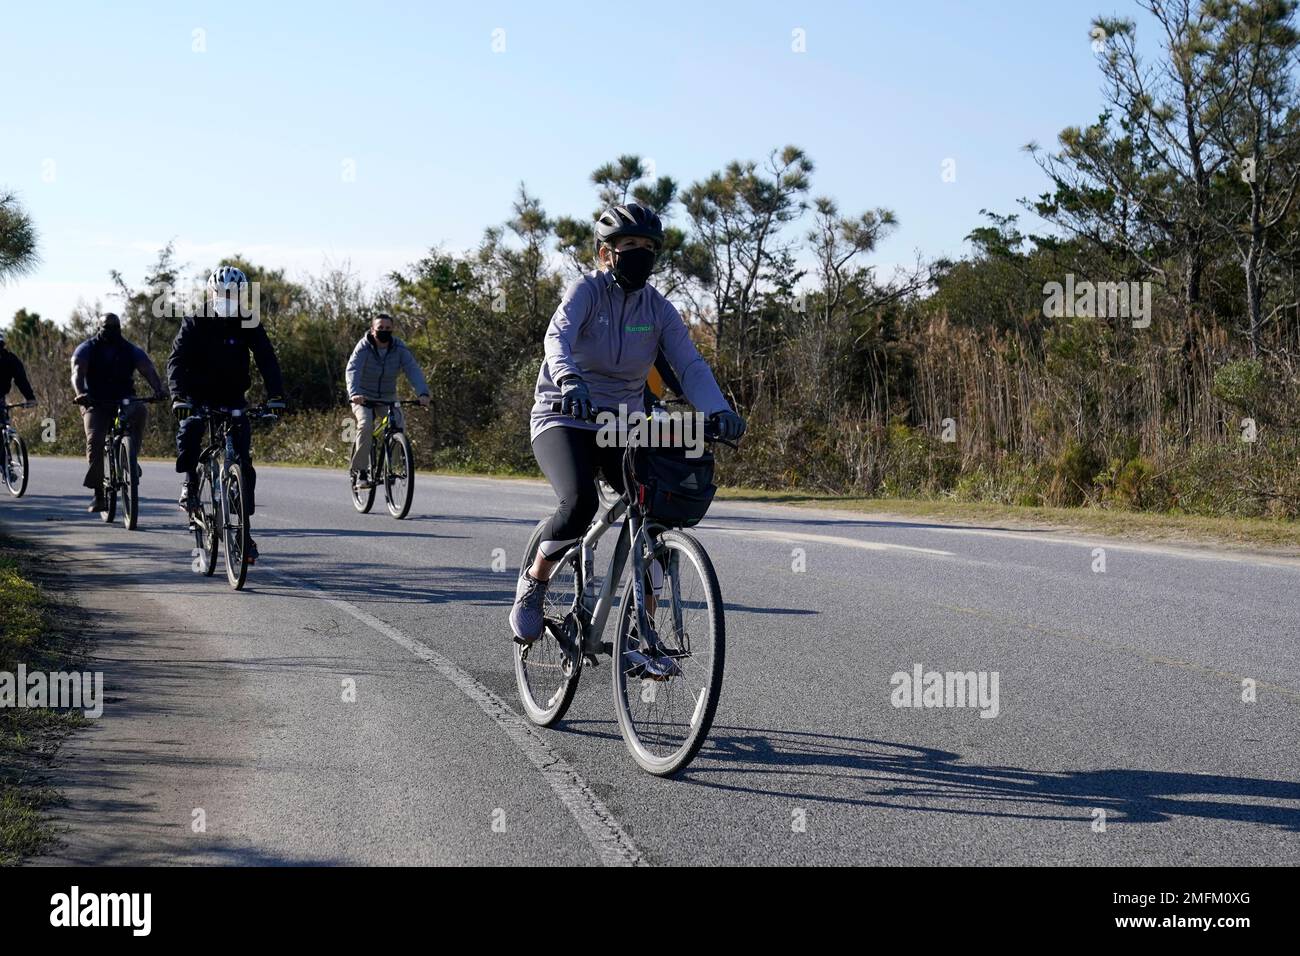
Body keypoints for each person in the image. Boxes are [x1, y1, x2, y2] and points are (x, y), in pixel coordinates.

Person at [509, 202, 745, 643]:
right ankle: (534, 582)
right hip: (565, 414)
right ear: (606, 254)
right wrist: (570, 380)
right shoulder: (586, 293)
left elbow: (690, 365)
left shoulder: (657, 309)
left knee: (656, 513)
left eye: (648, 247)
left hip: (623, 424)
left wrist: (718, 410)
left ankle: (642, 632)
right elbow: (556, 337)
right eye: (629, 245)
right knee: (578, 505)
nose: (640, 254)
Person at [168, 266, 284, 563]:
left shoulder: (248, 321)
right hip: (197, 396)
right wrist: (179, 396)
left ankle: (244, 533)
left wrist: (276, 396)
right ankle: (190, 486)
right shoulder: (196, 320)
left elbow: (266, 358)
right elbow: (177, 360)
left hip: (233, 396)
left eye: (233, 293)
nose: (227, 297)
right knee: (192, 430)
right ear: (212, 293)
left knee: (242, 462)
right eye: (222, 292)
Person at [71, 313, 165, 511]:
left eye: (115, 327)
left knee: (139, 410)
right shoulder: (88, 348)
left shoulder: (129, 349)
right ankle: (98, 495)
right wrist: (81, 393)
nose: (111, 331)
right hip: (94, 401)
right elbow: (77, 372)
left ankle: (130, 458)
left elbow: (147, 369)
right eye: (107, 327)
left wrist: (158, 389)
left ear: (120, 329)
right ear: (99, 328)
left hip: (124, 398)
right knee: (95, 440)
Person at [345, 312, 430, 487]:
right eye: (380, 328)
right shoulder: (363, 347)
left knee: (398, 424)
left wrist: (423, 394)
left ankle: (392, 467)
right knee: (365, 424)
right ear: (372, 329)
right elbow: (352, 370)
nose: (384, 331)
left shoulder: (399, 348)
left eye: (388, 328)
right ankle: (360, 472)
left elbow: (413, 370)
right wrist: (354, 393)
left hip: (387, 396)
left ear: (393, 330)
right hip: (362, 396)